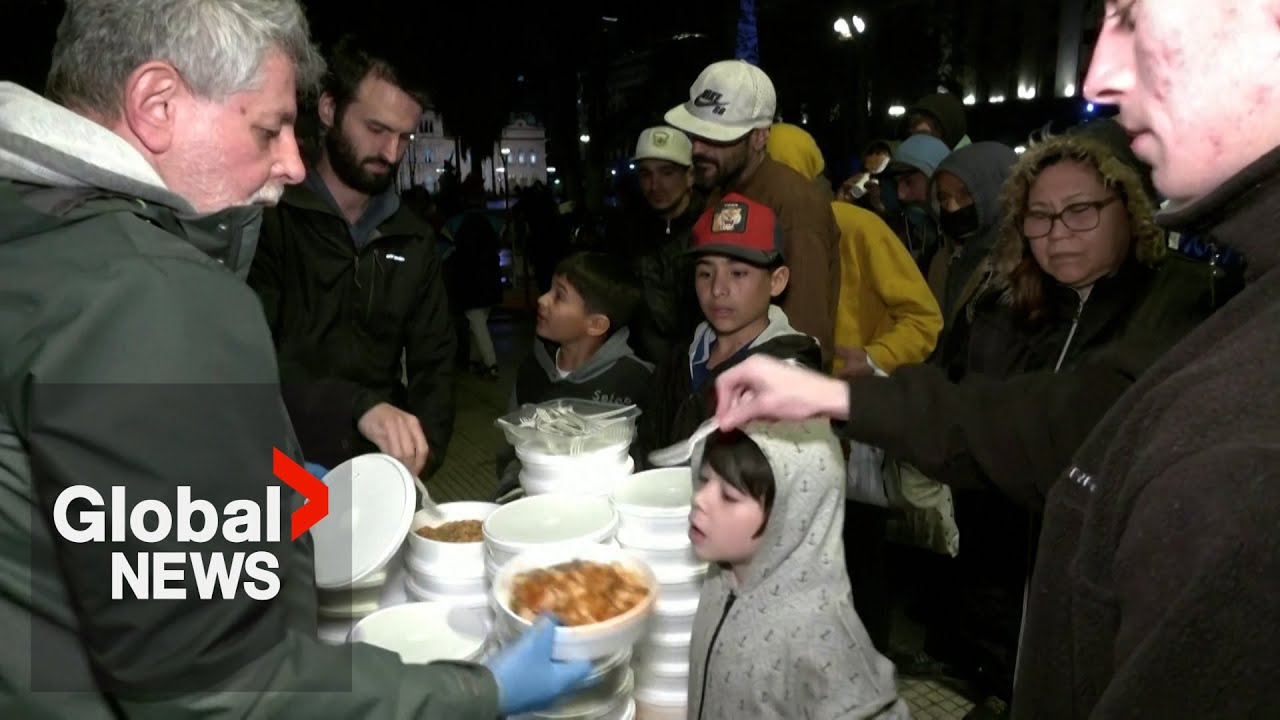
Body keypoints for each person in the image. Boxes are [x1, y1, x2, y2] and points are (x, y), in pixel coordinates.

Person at [0, 1, 588, 716]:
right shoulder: (148, 291)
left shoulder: (35, 230)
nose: (289, 162)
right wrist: (479, 693)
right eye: (269, 128)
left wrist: (252, 481)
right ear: (157, 104)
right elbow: (217, 687)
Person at [707, 1, 1280, 713]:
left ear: (1126, 211)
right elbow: (989, 410)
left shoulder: (1190, 305)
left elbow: (1067, 422)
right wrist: (854, 390)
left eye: (1080, 211)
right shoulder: (1004, 306)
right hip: (1007, 596)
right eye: (1038, 216)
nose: (1057, 233)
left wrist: (850, 393)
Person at [249, 34, 456, 478]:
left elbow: (434, 365)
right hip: (279, 467)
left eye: (404, 137)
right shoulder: (270, 220)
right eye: (377, 130)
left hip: (376, 473)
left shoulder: (414, 240)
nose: (391, 153)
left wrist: (424, 455)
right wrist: (355, 406)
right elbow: (248, 361)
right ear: (329, 110)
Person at [687, 424, 908, 719]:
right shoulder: (721, 579)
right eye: (703, 481)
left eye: (728, 496)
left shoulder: (824, 638)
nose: (699, 499)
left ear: (790, 518)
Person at [664, 60, 840, 367]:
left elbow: (804, 336)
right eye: (695, 135)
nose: (698, 149)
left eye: (717, 138)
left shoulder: (794, 205)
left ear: (759, 137)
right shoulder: (721, 192)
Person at [643, 193, 823, 456]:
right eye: (705, 273)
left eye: (738, 273)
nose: (717, 289)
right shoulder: (679, 360)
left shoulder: (790, 375)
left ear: (777, 281)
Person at [494, 251, 652, 500]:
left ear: (596, 324)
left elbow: (646, 466)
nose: (543, 300)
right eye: (549, 289)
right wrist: (511, 492)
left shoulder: (636, 380)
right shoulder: (532, 371)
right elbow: (513, 450)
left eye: (559, 296)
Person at [623, 126, 706, 364]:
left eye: (667, 172)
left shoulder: (712, 228)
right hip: (644, 371)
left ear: (690, 176)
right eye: (645, 174)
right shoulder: (628, 231)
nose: (654, 185)